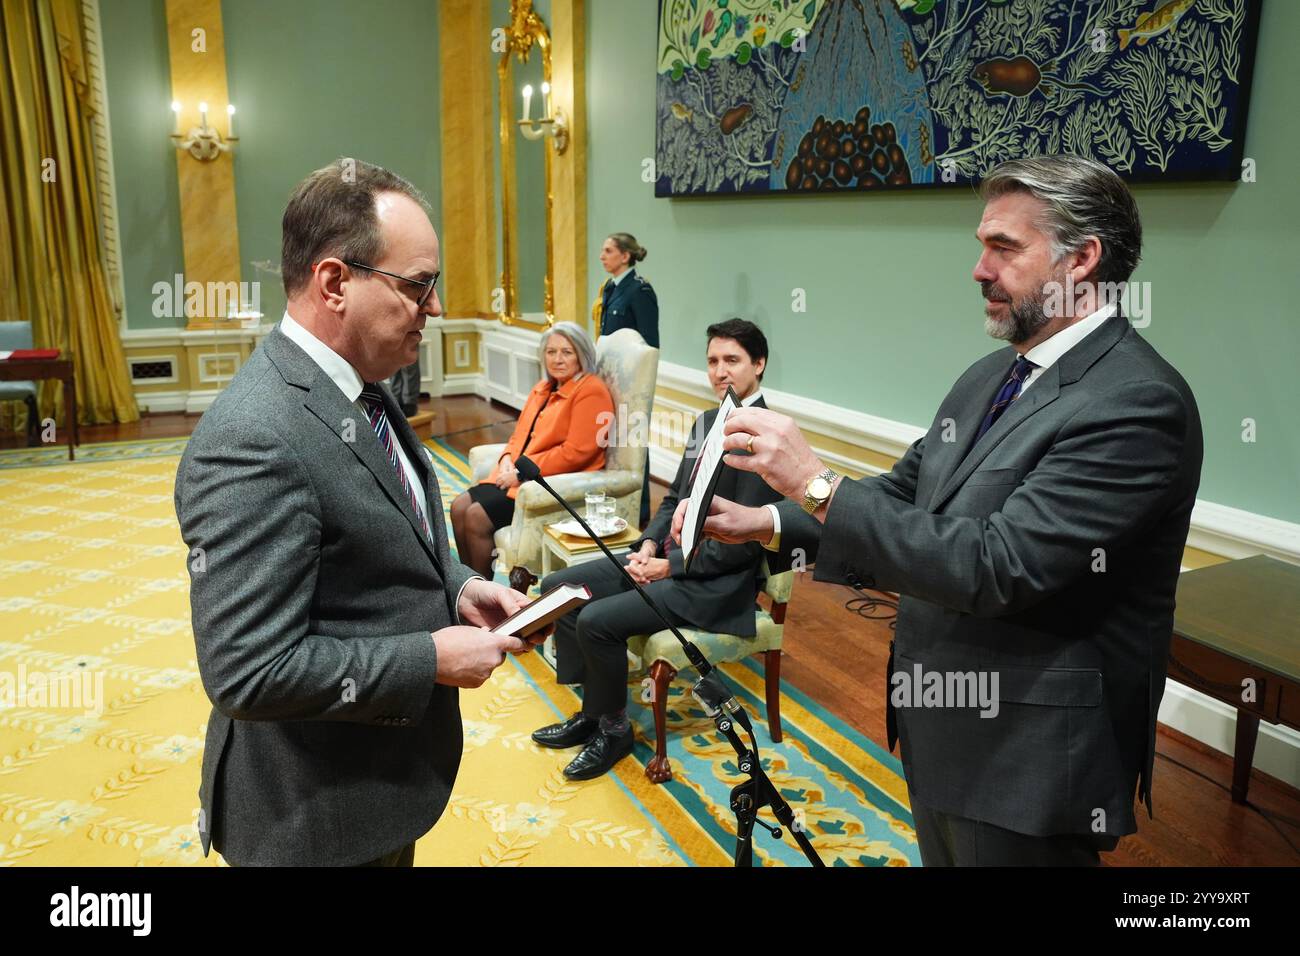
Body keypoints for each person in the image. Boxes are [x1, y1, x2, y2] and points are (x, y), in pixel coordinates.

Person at [680, 155, 1204, 866]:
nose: (979, 269)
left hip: (1029, 761)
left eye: (1004, 248)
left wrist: (816, 482)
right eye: (980, 246)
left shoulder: (1137, 402)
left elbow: (1001, 566)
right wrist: (766, 521)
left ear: (1082, 260)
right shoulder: (994, 372)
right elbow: (906, 492)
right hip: (945, 732)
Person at [174, 159, 543, 867]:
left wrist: (461, 586)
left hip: (375, 787)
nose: (434, 308)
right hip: (315, 816)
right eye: (417, 285)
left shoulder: (362, 388)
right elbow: (248, 670)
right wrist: (429, 658)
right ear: (336, 283)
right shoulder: (253, 438)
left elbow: (397, 528)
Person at [530, 319, 808, 780]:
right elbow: (676, 497)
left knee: (598, 620)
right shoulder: (706, 422)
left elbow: (743, 546)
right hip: (673, 559)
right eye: (713, 362)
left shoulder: (769, 439)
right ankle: (593, 713)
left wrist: (667, 566)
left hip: (718, 584)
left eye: (732, 361)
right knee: (563, 586)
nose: (721, 372)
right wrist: (647, 543)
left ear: (758, 365)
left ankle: (615, 729)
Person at [450, 321, 613, 579]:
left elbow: (576, 453)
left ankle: (485, 598)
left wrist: (521, 473)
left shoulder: (591, 391)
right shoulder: (543, 388)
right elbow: (519, 436)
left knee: (475, 517)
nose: (557, 359)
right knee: (458, 506)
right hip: (516, 476)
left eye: (566, 352)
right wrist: (505, 458)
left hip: (543, 484)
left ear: (582, 354)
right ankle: (469, 586)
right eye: (551, 352)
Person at [595, 232, 658, 525]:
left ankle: (640, 510)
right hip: (608, 381)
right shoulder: (610, 287)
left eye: (608, 250)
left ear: (625, 256)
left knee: (633, 443)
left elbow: (649, 345)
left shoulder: (640, 291)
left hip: (631, 385)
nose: (602, 256)